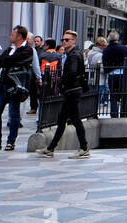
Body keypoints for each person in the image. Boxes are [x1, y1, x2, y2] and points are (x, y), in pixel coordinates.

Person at [37, 30, 90, 159]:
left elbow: (72, 73)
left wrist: (61, 82)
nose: (63, 42)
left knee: (75, 120)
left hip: (72, 91)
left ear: (73, 41)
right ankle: (51, 148)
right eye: (62, 40)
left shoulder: (73, 55)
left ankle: (84, 148)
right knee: (62, 120)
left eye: (66, 40)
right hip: (72, 90)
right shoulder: (74, 53)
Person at [0, 26, 36, 152]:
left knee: (14, 114)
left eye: (12, 34)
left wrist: (5, 60)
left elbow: (12, 60)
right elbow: (0, 61)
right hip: (3, 84)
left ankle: (11, 142)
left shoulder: (27, 50)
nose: (10, 36)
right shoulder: (10, 49)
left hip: (15, 85)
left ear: (19, 36)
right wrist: (5, 60)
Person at [101, 32, 127, 118]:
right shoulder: (124, 48)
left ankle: (114, 115)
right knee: (124, 94)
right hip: (122, 74)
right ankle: (124, 113)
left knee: (113, 96)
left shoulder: (106, 50)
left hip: (111, 74)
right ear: (117, 39)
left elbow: (103, 60)